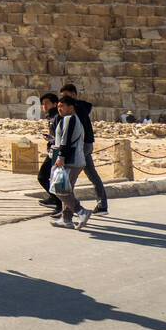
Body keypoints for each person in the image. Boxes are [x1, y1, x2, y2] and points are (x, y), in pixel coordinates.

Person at [59, 84, 109, 215]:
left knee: (69, 178)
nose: (63, 99)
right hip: (86, 144)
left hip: (81, 145)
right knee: (91, 174)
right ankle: (102, 205)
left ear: (74, 95)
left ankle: (70, 211)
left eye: (66, 96)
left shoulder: (75, 109)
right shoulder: (81, 107)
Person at [49, 95, 92, 230]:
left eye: (62, 106)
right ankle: (66, 219)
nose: (59, 109)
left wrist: (60, 156)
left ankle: (81, 211)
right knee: (67, 190)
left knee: (60, 190)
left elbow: (65, 140)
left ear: (71, 107)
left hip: (70, 161)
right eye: (58, 107)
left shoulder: (69, 119)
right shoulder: (73, 119)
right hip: (75, 160)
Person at [34, 92, 63, 211]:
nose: (44, 106)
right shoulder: (52, 116)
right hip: (54, 150)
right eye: (42, 104)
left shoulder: (56, 117)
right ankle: (55, 200)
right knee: (51, 177)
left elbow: (61, 136)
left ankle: (58, 202)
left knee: (42, 176)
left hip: (57, 152)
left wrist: (52, 139)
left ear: (55, 104)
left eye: (46, 103)